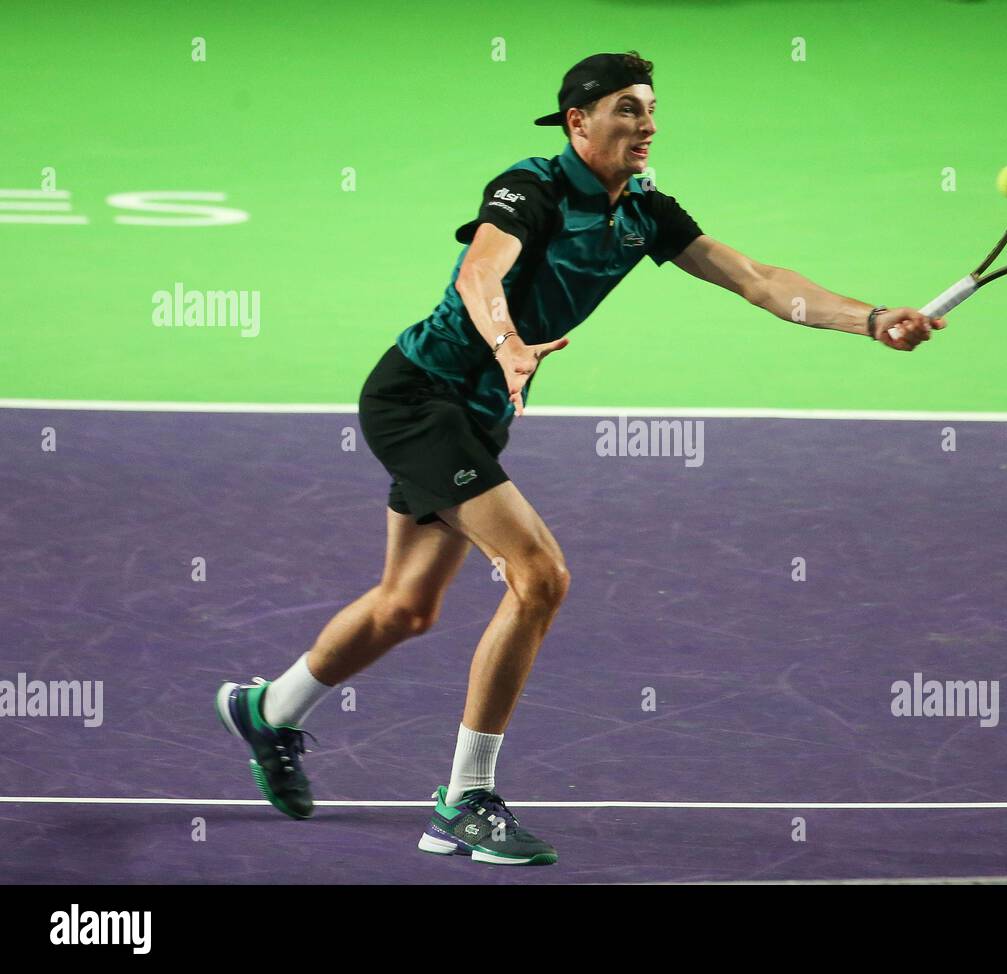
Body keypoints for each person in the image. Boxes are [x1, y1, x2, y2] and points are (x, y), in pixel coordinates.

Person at [216, 51, 945, 867]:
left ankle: (268, 709)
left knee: (406, 607)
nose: (648, 125)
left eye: (652, 109)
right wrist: (507, 344)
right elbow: (479, 270)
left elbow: (761, 281)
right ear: (579, 122)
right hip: (420, 396)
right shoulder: (530, 187)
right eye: (628, 109)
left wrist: (872, 318)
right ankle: (464, 800)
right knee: (541, 576)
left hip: (478, 416)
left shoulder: (645, 212)